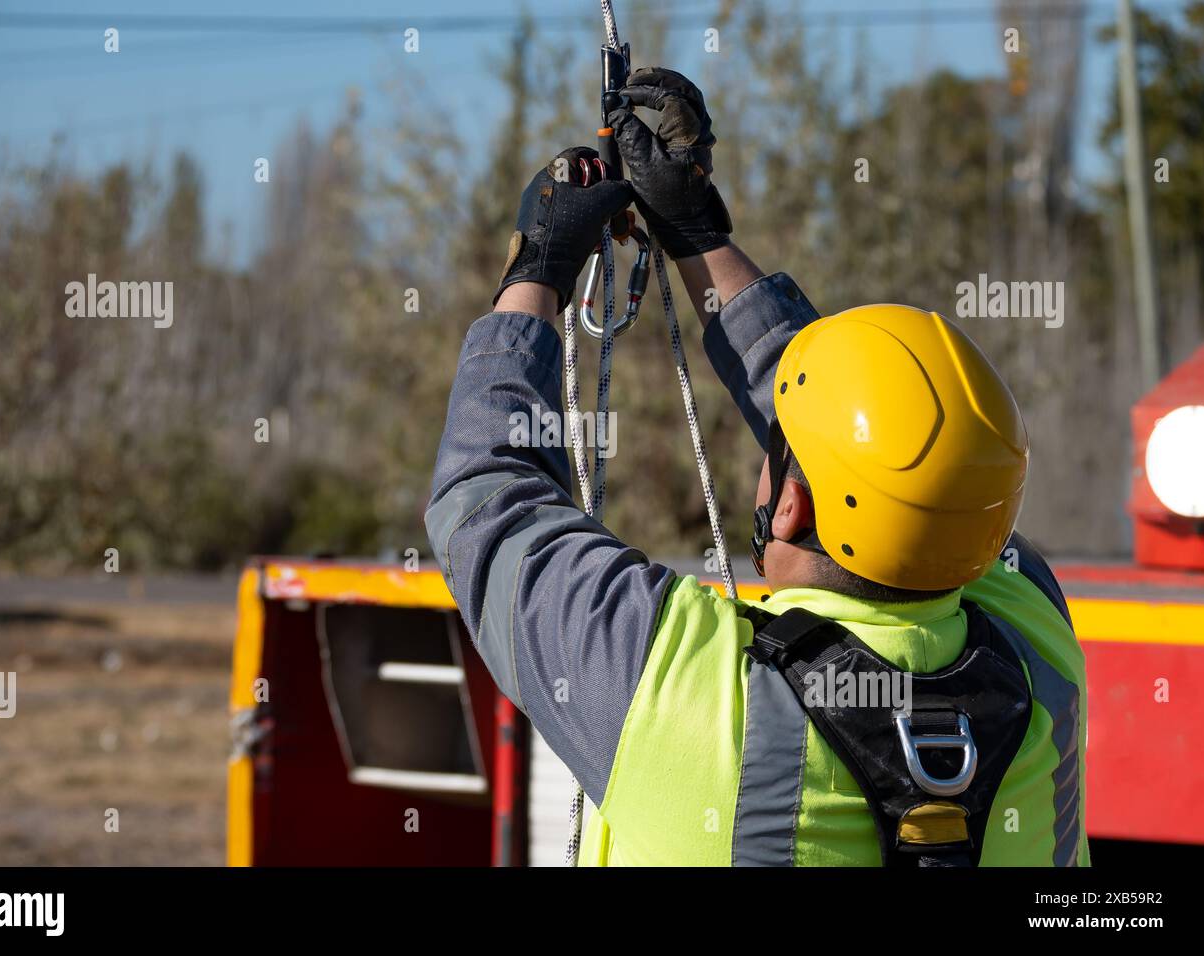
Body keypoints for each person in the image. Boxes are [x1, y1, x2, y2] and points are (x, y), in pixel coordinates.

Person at [425, 68, 1088, 866]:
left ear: (791, 508)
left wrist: (534, 269)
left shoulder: (685, 691)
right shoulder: (1038, 643)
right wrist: (695, 231)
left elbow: (487, 502)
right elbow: (898, 457)